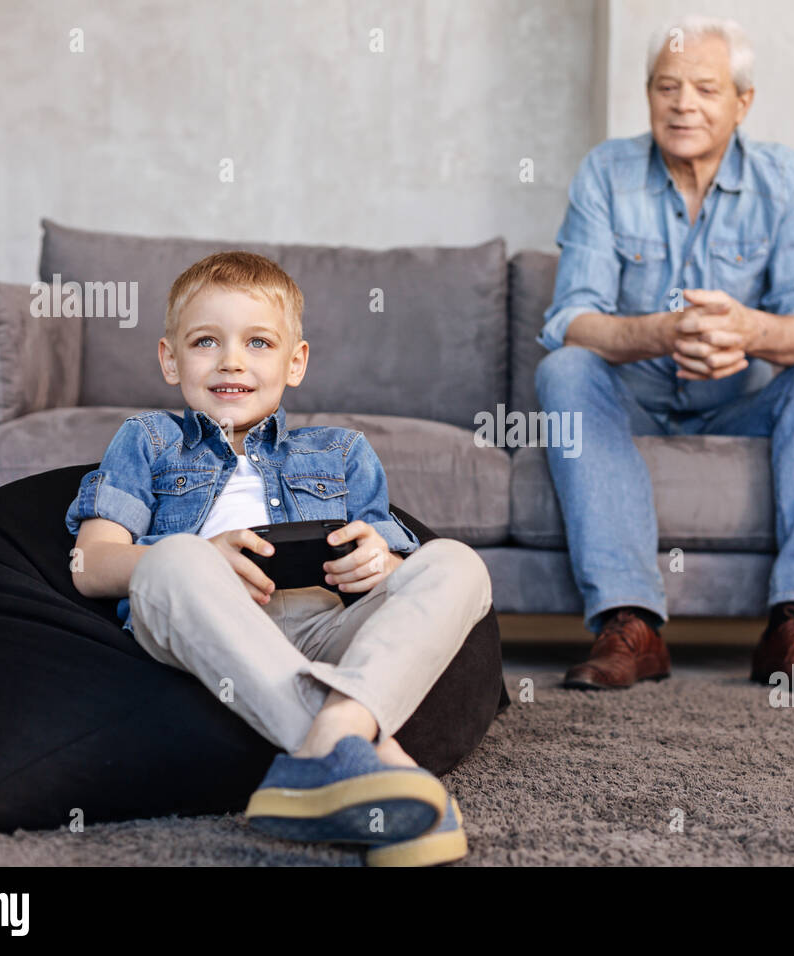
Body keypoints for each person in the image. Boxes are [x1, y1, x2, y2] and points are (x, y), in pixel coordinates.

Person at [65, 251, 490, 866]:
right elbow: (89, 564)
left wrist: (381, 566)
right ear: (169, 359)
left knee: (455, 563)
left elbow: (394, 567)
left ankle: (330, 748)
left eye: (259, 343)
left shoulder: (341, 450)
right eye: (206, 341)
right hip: (210, 626)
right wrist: (202, 556)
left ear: (296, 362)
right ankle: (382, 764)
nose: (232, 360)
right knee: (179, 557)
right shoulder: (149, 438)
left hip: (328, 626)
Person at [536, 15, 794, 691]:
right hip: (631, 404)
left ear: (742, 102)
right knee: (563, 369)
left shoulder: (786, 180)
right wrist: (661, 332)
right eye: (666, 86)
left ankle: (793, 625)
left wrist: (750, 330)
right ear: (648, 95)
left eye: (705, 89)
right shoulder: (606, 172)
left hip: (740, 408)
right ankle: (629, 625)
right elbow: (569, 319)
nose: (682, 103)